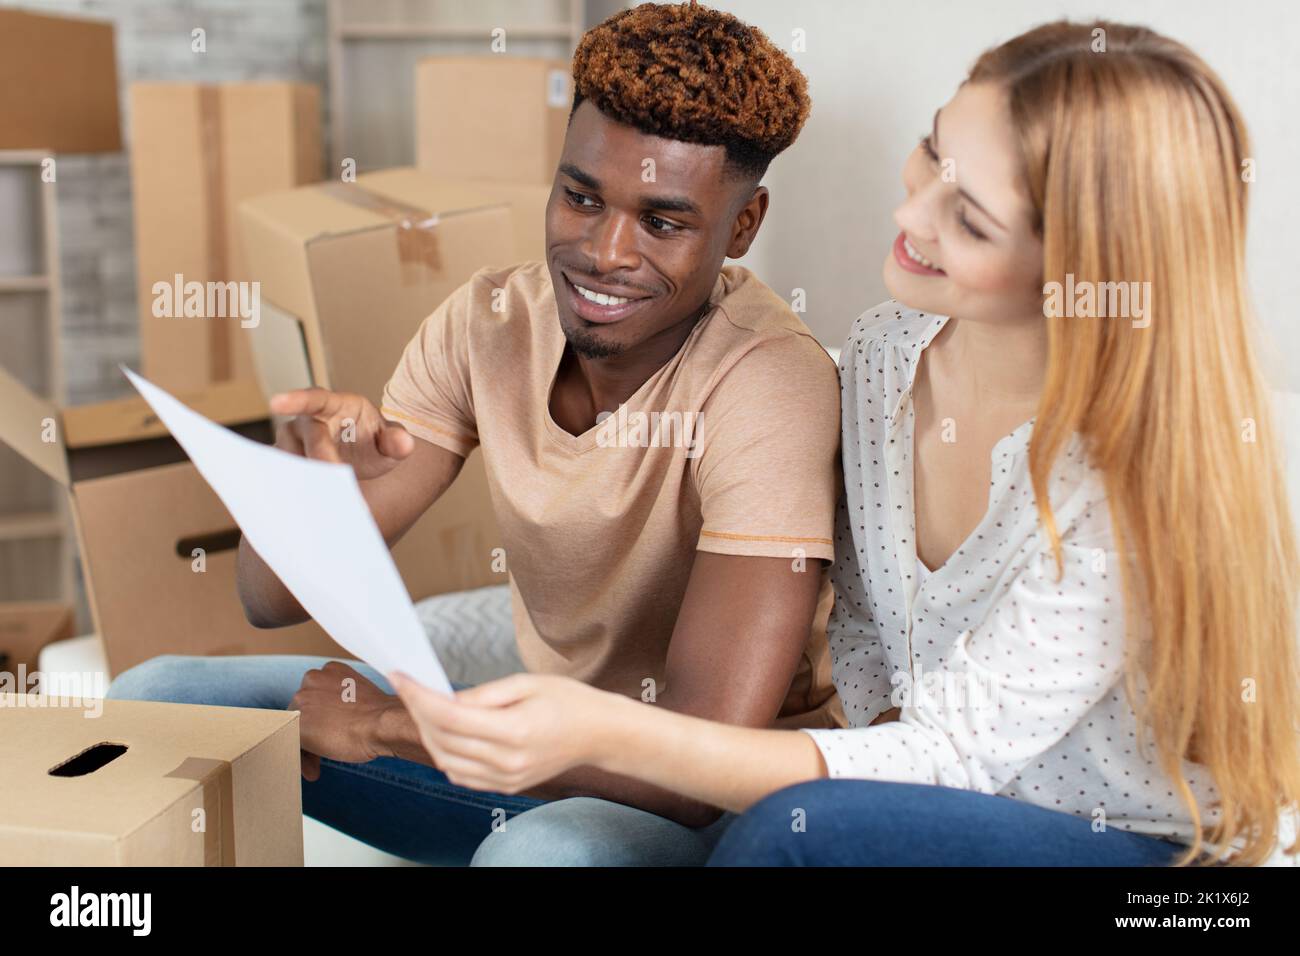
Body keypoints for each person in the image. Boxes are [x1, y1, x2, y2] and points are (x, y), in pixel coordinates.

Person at [389, 20, 1300, 867]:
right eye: (934, 153)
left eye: (971, 220)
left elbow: (948, 757)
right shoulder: (884, 354)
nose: (912, 216)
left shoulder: (1123, 473)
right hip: (936, 804)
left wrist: (604, 732)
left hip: (1140, 853)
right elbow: (862, 624)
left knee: (801, 828)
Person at [107, 1, 847, 867]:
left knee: (540, 855)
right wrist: (310, 484)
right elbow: (268, 602)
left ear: (742, 227)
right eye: (581, 197)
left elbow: (692, 768)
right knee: (157, 704)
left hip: (707, 809)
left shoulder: (768, 382)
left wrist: (389, 728)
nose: (606, 252)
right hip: (529, 745)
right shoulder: (491, 321)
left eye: (663, 221)